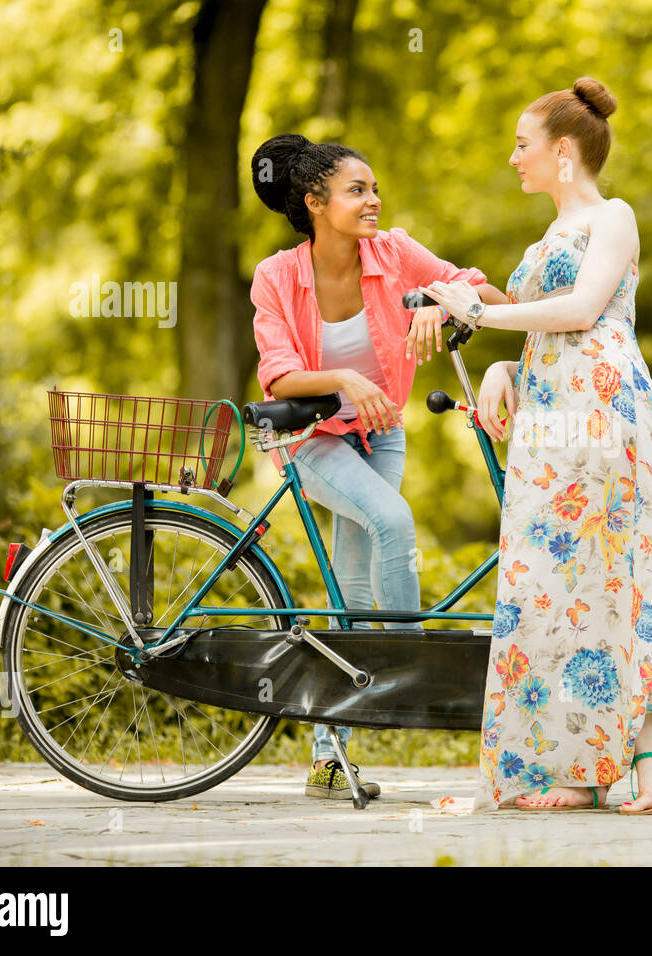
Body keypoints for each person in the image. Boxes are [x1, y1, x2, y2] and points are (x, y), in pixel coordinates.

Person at [423, 78, 652, 814]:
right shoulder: (540, 240)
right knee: (555, 586)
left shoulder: (613, 217)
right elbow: (548, 333)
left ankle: (646, 743)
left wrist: (481, 313)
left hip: (607, 413)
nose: (513, 157)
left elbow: (583, 310)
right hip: (551, 424)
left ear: (564, 151)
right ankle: (575, 760)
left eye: (523, 143)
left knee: (621, 575)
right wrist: (500, 365)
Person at [249, 133, 507, 800]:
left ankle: (327, 760)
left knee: (351, 593)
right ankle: (408, 671)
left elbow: (478, 289)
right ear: (314, 202)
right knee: (393, 521)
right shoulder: (278, 276)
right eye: (356, 190)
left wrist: (433, 299)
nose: (373, 200)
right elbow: (277, 376)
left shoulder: (391, 251)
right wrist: (342, 379)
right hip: (311, 440)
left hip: (381, 436)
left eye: (373, 188)